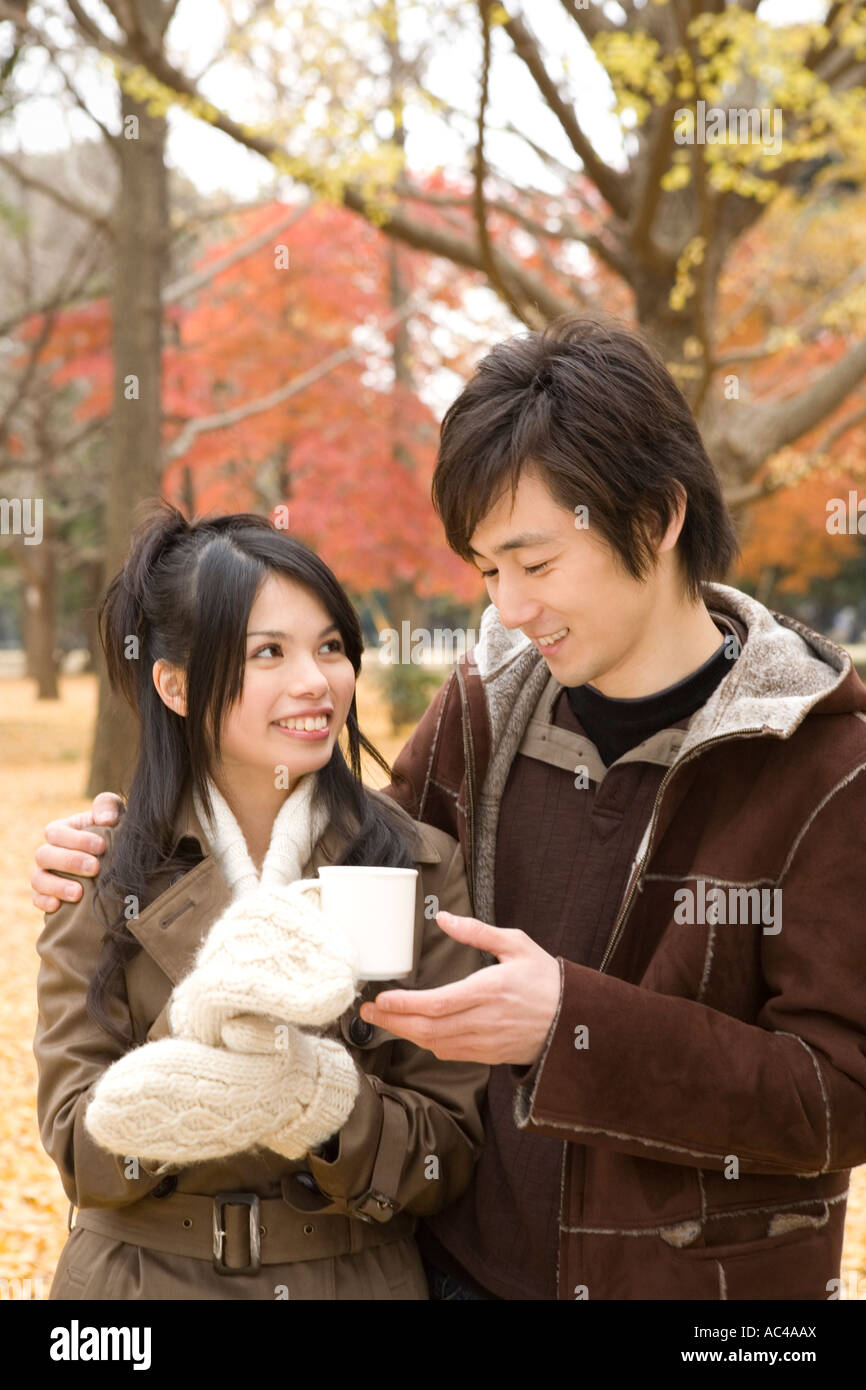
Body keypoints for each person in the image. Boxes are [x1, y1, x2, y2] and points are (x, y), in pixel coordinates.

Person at [33, 316, 866, 1301]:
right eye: (485, 570)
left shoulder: (825, 760)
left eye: (536, 562)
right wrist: (112, 853)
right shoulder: (481, 710)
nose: (506, 606)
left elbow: (837, 1098)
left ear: (655, 518)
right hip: (458, 1278)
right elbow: (343, 883)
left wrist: (571, 1025)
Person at [31, 503, 488, 1300]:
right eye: (268, 652)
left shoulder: (413, 865)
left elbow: (446, 1153)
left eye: (332, 646)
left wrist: (318, 1095)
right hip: (138, 1286)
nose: (315, 681)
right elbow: (80, 1153)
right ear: (172, 684)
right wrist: (204, 1026)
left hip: (352, 1278)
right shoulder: (104, 868)